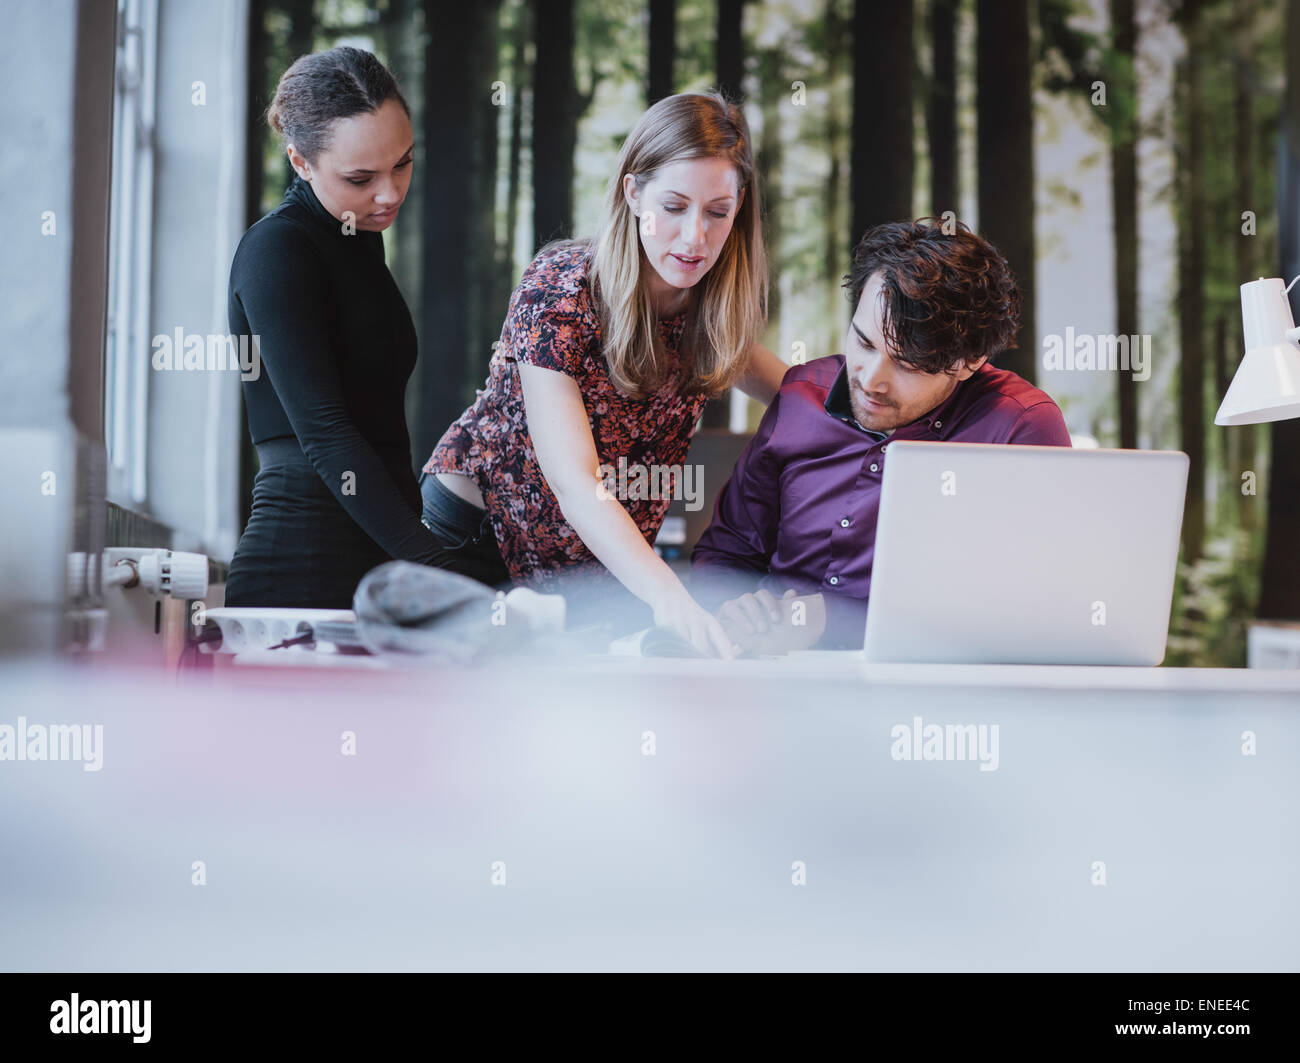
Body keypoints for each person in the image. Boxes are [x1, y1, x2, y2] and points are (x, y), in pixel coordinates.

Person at [420, 92, 787, 658]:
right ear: (633, 191)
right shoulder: (560, 289)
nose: (694, 237)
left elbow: (804, 395)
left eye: (717, 211)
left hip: (595, 576)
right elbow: (576, 483)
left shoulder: (709, 309)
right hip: (475, 543)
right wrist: (669, 593)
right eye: (673, 206)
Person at [691, 218, 1073, 649]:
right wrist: (734, 605)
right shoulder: (801, 395)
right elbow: (728, 554)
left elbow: (1030, 605)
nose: (871, 380)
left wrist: (831, 619)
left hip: (935, 691)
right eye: (864, 343)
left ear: (970, 359)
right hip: (776, 678)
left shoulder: (1018, 427)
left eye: (908, 365)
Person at [225, 47, 461, 608]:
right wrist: (441, 569)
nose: (390, 193)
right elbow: (326, 433)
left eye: (403, 162)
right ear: (300, 162)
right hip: (299, 569)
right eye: (360, 177)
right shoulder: (277, 249)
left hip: (381, 561)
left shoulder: (357, 238)